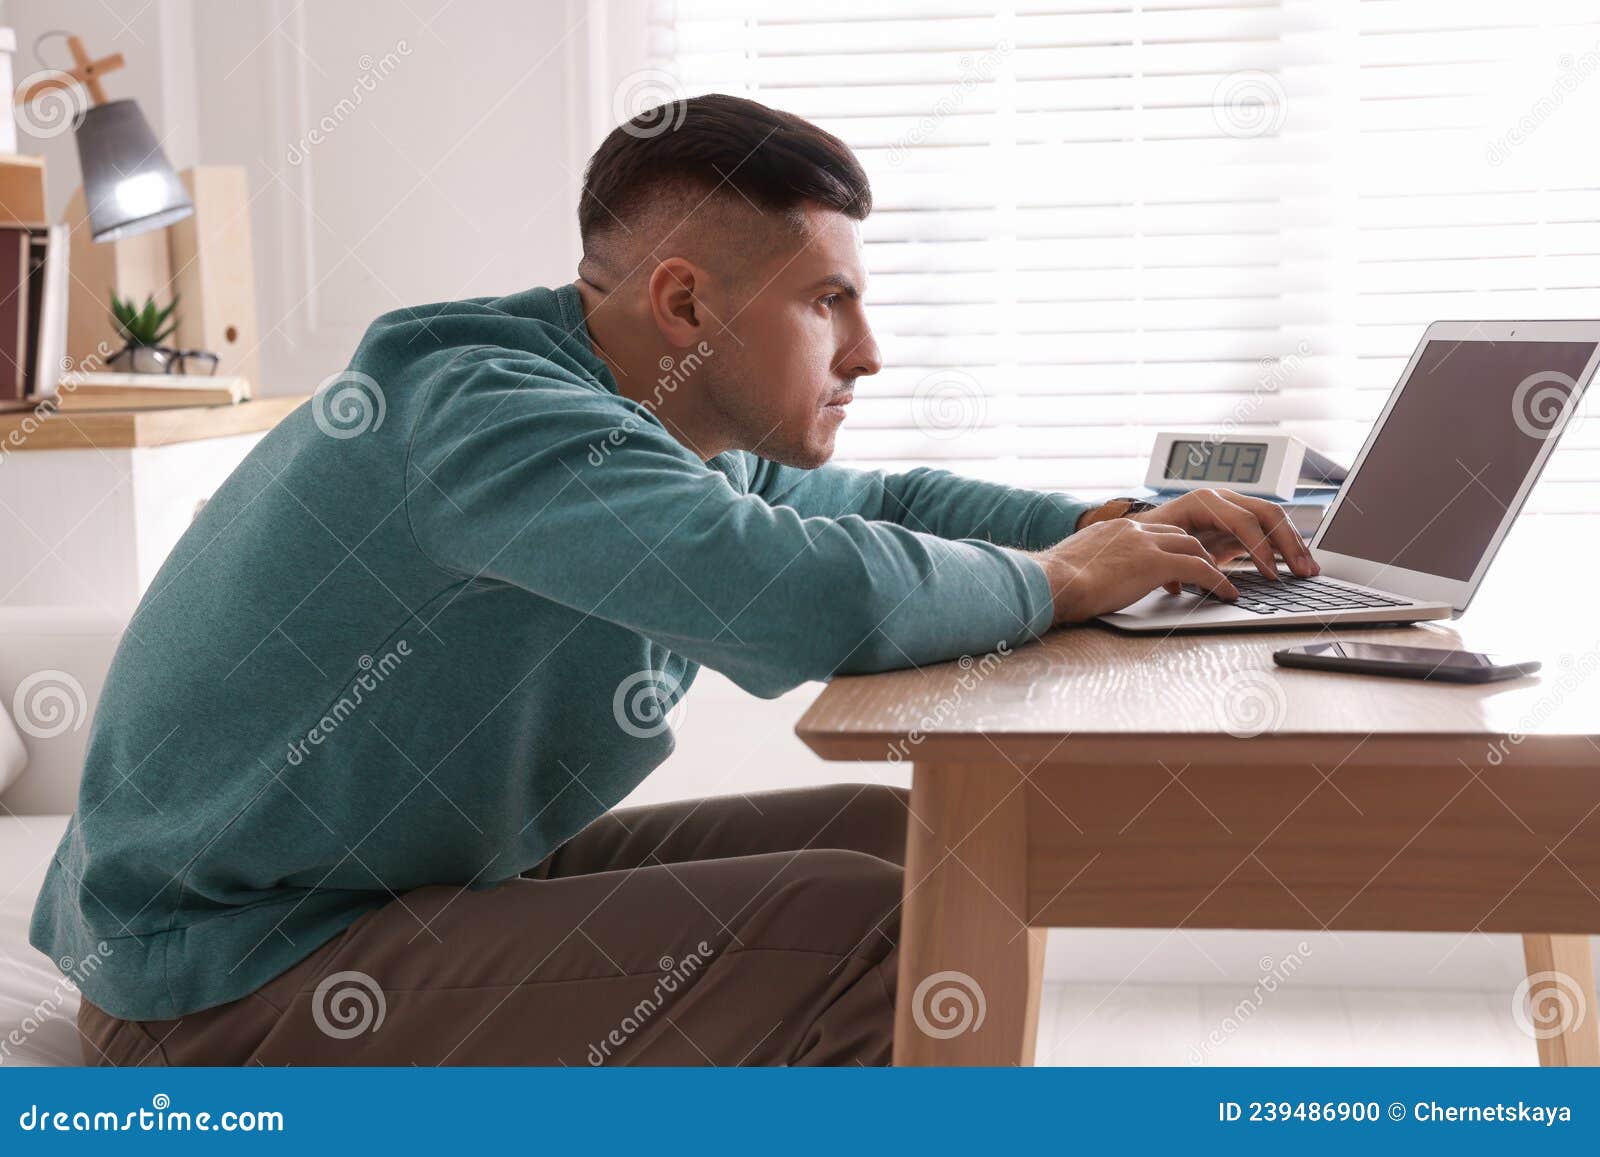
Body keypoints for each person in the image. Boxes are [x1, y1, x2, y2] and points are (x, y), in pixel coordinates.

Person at [38, 93, 1315, 1066]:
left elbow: (877, 506)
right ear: (688, 304)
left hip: (386, 893)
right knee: (867, 925)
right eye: (829, 302)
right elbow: (807, 594)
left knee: (918, 844)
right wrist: (1060, 580)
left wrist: (1119, 526)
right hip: (215, 981)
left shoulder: (645, 419)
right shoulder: (491, 413)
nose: (866, 351)